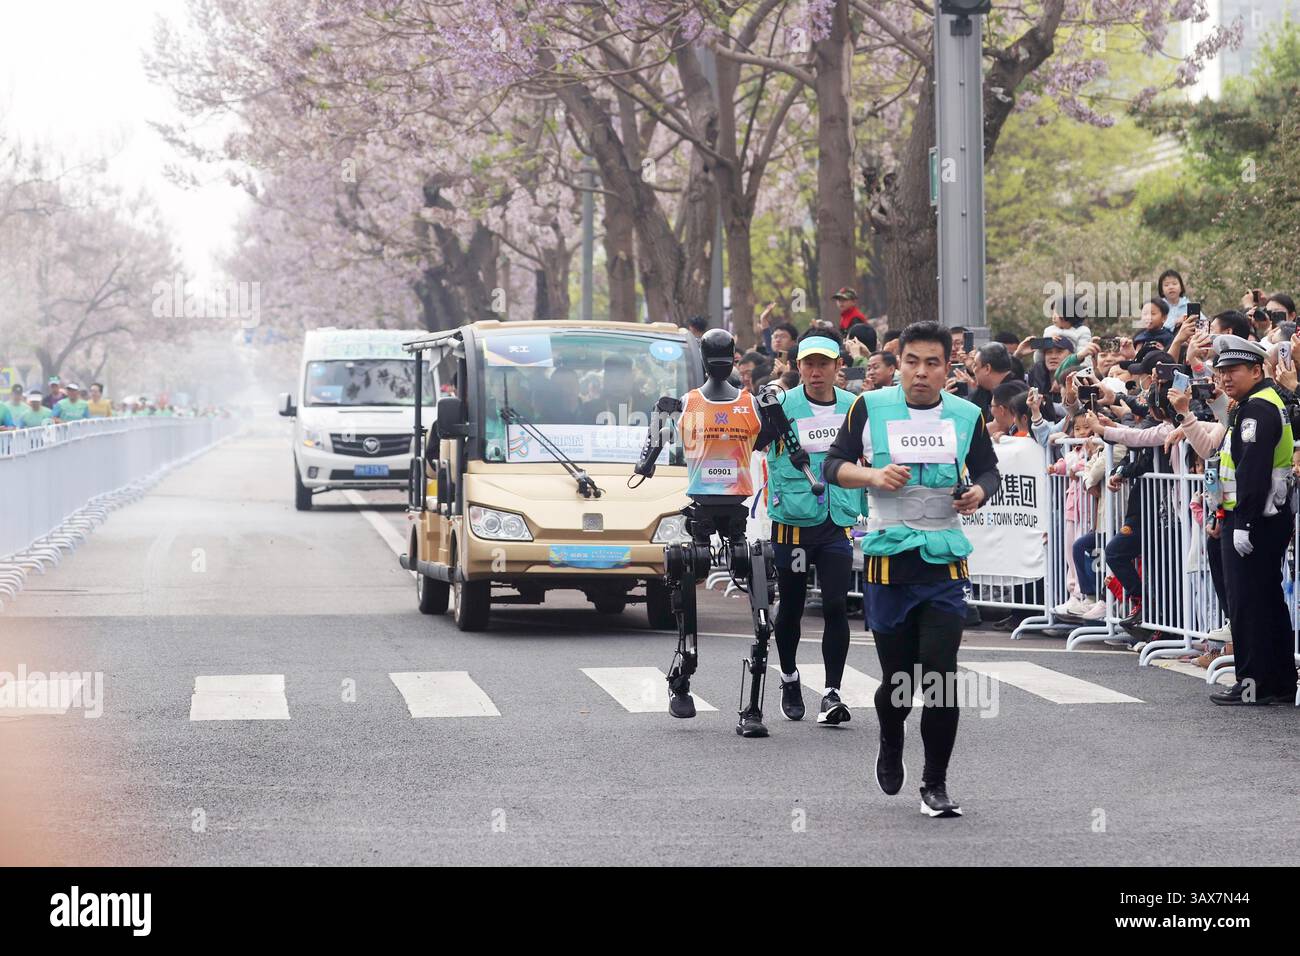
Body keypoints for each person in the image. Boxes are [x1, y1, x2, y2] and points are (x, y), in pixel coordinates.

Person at [824, 321, 1000, 818]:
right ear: (898, 364)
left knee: (940, 678)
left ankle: (935, 784)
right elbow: (833, 465)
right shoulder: (870, 405)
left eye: (932, 363)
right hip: (888, 559)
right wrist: (873, 474)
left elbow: (989, 471)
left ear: (949, 368)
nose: (921, 373)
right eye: (911, 362)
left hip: (944, 561)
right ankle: (890, 734)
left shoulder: (967, 414)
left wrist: (979, 492)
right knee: (897, 681)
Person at [756, 328, 864, 725]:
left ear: (839, 367)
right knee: (794, 605)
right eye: (808, 364)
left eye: (824, 364)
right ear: (796, 366)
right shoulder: (780, 406)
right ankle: (789, 676)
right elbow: (751, 442)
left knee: (836, 603)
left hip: (837, 522)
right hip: (794, 525)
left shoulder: (855, 406)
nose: (816, 372)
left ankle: (832, 693)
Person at [1207, 335, 1297, 705]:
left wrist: (1242, 521)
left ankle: (1252, 684)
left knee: (1247, 603)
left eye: (1234, 371)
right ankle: (1277, 682)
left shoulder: (1258, 408)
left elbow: (1253, 469)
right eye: (1221, 372)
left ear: (1257, 370)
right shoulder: (1255, 403)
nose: (1226, 378)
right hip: (1259, 515)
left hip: (1255, 518)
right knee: (1266, 599)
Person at [968, 343, 1018, 422]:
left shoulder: (1014, 392)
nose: (973, 370)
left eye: (975, 365)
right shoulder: (985, 390)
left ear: (987, 368)